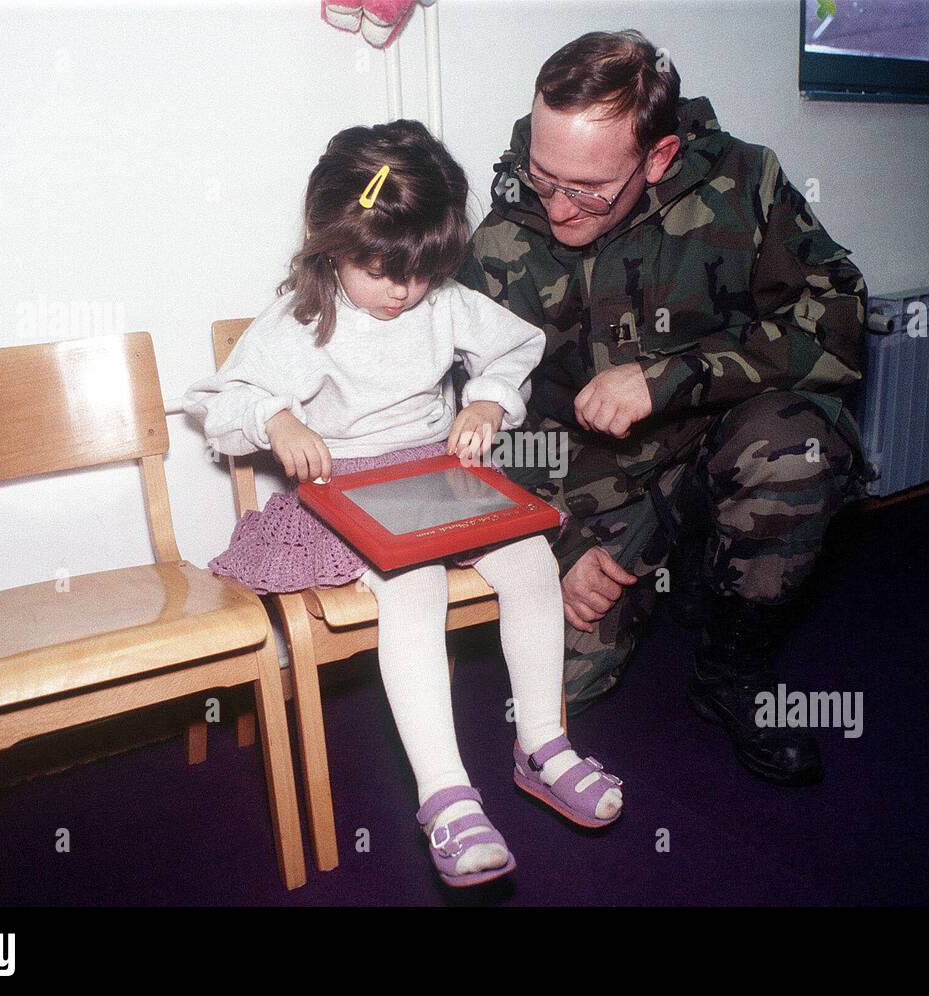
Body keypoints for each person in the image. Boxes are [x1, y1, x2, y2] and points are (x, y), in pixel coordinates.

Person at [184, 119, 623, 888]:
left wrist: (486, 403)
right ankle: (445, 793)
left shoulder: (441, 300)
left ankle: (543, 743)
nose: (403, 291)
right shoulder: (302, 318)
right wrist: (277, 418)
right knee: (413, 585)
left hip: (437, 477)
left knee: (529, 561)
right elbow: (217, 402)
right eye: (383, 270)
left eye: (419, 272)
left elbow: (515, 347)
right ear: (331, 243)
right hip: (346, 491)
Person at [457, 31, 868, 786]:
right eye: (542, 175)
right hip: (595, 483)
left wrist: (674, 377)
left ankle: (731, 673)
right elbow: (480, 427)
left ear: (658, 158)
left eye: (587, 190)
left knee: (794, 451)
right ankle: (663, 563)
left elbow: (840, 325)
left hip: (723, 437)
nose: (557, 208)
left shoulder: (745, 183)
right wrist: (561, 544)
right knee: (564, 693)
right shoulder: (501, 242)